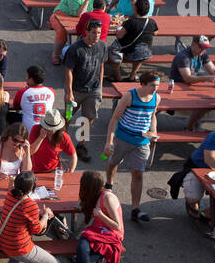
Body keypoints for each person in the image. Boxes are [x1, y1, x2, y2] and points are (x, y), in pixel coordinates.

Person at [104, 68, 160, 224]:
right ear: (142, 84)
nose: (155, 89)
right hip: (122, 137)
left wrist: (153, 131)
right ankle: (109, 185)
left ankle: (135, 208)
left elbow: (152, 116)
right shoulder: (129, 96)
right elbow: (115, 118)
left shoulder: (156, 98)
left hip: (142, 142)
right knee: (113, 163)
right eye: (152, 85)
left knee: (138, 173)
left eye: (157, 86)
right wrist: (109, 141)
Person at [62, 26, 107, 138]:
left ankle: (81, 144)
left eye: (99, 33)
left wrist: (100, 85)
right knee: (67, 117)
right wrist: (69, 92)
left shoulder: (102, 46)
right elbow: (68, 70)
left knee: (87, 119)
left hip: (93, 90)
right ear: (86, 32)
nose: (97, 35)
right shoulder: (75, 49)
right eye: (94, 32)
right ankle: (63, 140)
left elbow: (102, 65)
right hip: (75, 91)